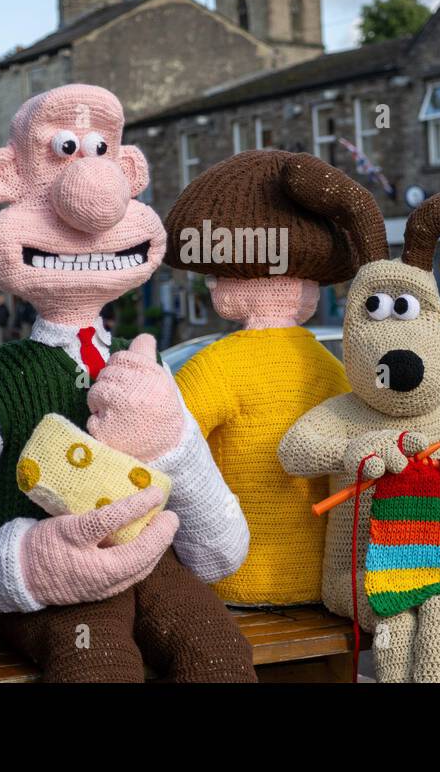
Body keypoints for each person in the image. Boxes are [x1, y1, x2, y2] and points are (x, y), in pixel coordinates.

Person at [0, 85, 253, 682]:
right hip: (48, 593)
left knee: (219, 651)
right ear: (7, 180)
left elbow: (221, 552)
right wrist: (28, 563)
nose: (89, 198)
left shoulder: (145, 370)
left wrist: (171, 443)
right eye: (66, 153)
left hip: (152, 566)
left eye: (100, 153)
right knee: (95, 657)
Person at [163, 150, 386, 606]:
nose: (212, 283)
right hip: (320, 582)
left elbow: (164, 450)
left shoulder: (216, 365)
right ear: (308, 287)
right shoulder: (330, 366)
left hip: (234, 581)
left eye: (217, 275)